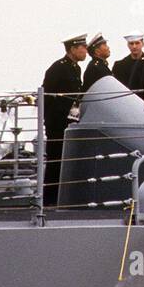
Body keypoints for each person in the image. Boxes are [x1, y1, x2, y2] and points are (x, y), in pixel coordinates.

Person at [42, 35, 87, 207]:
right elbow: (47, 97)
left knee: (64, 160)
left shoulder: (75, 68)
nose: (85, 50)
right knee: (55, 159)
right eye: (82, 47)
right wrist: (51, 122)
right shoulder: (58, 68)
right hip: (57, 122)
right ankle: (49, 200)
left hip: (69, 121)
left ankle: (62, 197)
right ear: (72, 49)